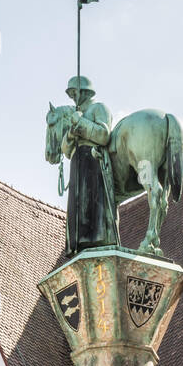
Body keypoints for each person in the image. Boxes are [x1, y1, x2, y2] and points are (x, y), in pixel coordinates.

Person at [60, 75, 118, 254]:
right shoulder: (76, 115)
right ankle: (79, 242)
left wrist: (81, 123)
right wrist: (70, 133)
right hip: (78, 163)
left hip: (93, 161)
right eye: (71, 94)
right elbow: (66, 149)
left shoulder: (99, 108)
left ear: (85, 91)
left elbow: (103, 135)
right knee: (77, 208)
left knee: (94, 205)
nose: (73, 97)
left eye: (75, 92)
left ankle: (96, 239)